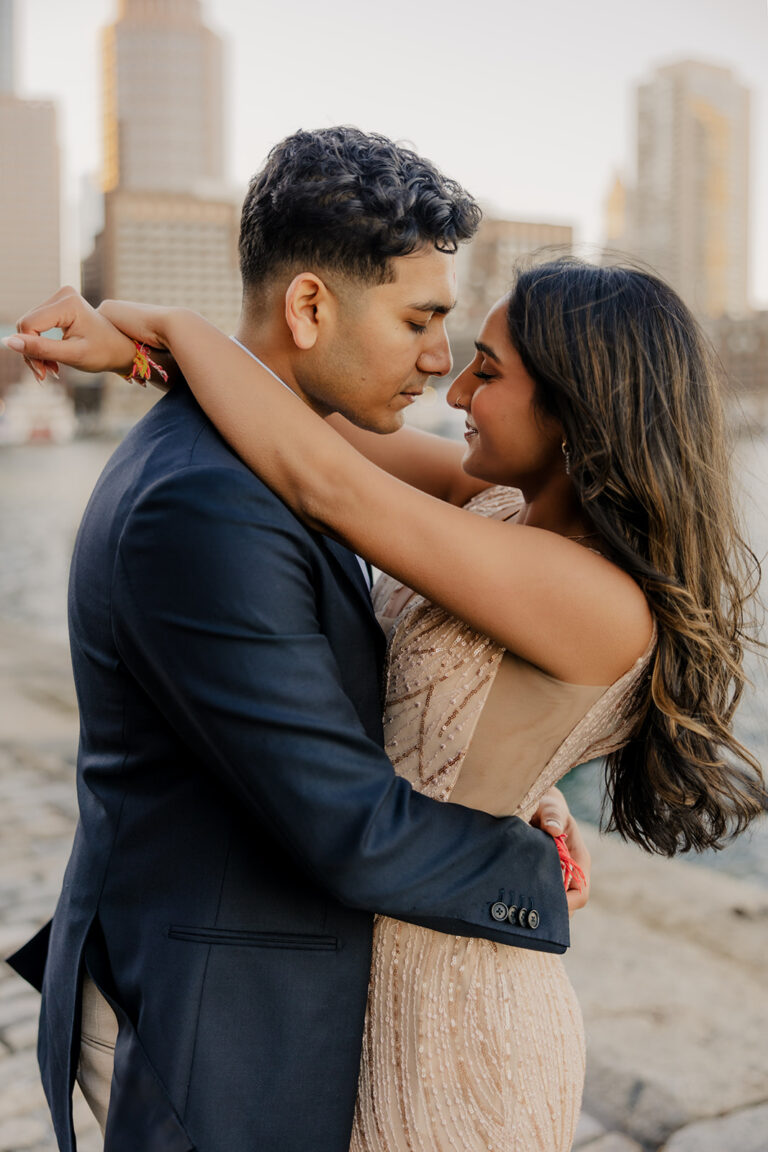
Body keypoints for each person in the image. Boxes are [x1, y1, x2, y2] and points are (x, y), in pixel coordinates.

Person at [11, 255, 764, 1149]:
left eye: (488, 370)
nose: (455, 391)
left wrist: (169, 322)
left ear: (574, 409)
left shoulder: (593, 595)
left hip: (463, 1015)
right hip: (369, 971)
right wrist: (133, 350)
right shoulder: (488, 506)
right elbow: (297, 428)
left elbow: (322, 481)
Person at [3, 129, 591, 1152]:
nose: (438, 361)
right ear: (311, 306)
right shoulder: (208, 503)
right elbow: (347, 828)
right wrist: (526, 864)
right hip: (219, 1032)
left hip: (234, 994)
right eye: (419, 319)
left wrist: (162, 350)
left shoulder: (254, 457)